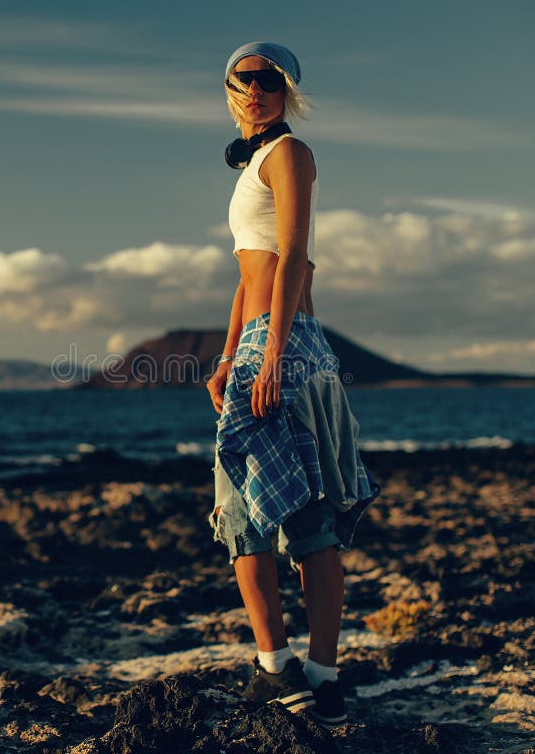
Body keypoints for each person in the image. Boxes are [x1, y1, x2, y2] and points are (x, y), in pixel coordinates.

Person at [205, 41, 383, 729]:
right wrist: (227, 357)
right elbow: (248, 272)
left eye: (271, 82)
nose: (258, 90)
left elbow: (295, 260)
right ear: (228, 88)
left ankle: (311, 674)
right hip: (256, 345)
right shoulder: (253, 163)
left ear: (287, 93)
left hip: (285, 347)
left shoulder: (289, 155)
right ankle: (291, 671)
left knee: (288, 515)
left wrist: (272, 352)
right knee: (253, 512)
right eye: (245, 80)